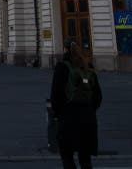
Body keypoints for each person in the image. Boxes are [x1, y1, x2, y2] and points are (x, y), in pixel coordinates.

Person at [49, 39, 102, 169]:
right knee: (85, 159)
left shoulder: (62, 67)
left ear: (65, 50)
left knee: (67, 157)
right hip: (88, 119)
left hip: (68, 118)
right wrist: (89, 109)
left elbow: (55, 95)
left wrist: (58, 114)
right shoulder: (88, 67)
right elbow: (98, 96)